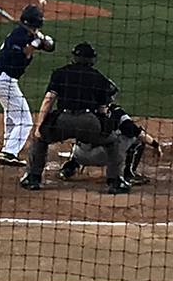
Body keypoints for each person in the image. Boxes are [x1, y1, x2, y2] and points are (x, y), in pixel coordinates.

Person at [19, 42, 132, 194]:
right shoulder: (99, 78)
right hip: (89, 122)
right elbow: (103, 110)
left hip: (62, 120)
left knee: (40, 138)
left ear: (74, 57)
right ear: (92, 60)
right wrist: (102, 129)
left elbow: (48, 100)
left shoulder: (60, 73)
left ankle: (32, 179)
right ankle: (115, 182)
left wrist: (40, 127)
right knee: (113, 142)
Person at [0, 3, 56, 166]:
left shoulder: (28, 34)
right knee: (25, 121)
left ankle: (8, 144)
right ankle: (9, 152)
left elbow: (51, 47)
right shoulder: (18, 37)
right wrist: (35, 44)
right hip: (3, 81)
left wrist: (44, 40)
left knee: (11, 113)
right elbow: (22, 57)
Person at [56, 102, 162, 186]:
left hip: (80, 154)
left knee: (82, 132)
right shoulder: (116, 111)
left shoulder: (84, 108)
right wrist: (155, 144)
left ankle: (69, 167)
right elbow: (135, 131)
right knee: (136, 137)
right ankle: (129, 174)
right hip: (105, 156)